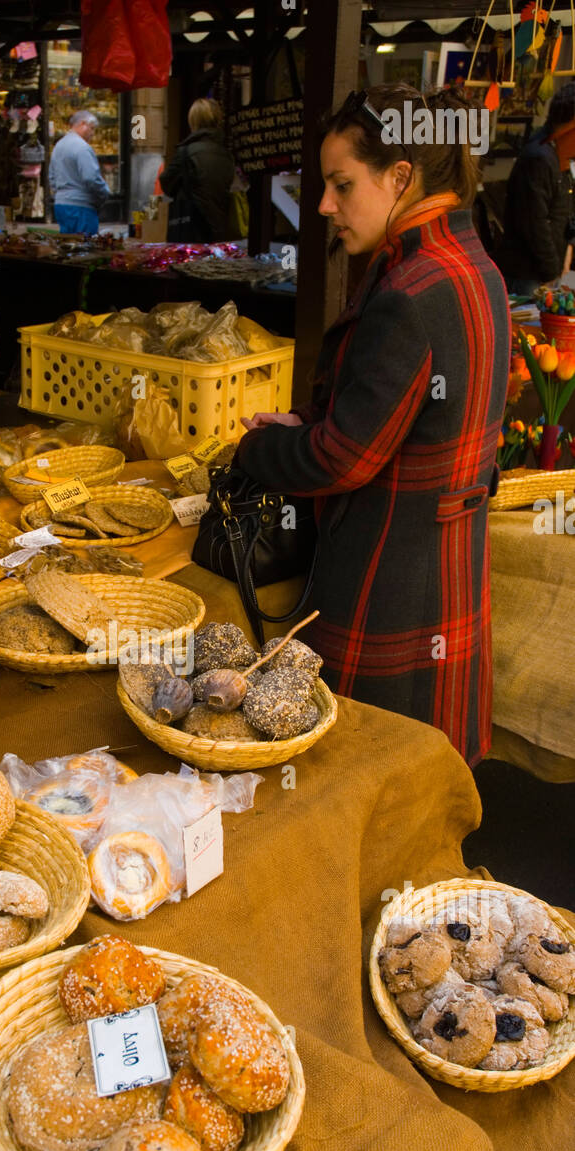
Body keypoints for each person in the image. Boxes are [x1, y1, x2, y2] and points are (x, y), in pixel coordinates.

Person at [233, 85, 510, 768]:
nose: (324, 206)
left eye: (340, 184)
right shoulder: (476, 266)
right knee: (423, 775)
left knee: (364, 775)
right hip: (446, 566)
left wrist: (259, 448)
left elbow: (341, 459)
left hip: (391, 580)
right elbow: (398, 415)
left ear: (401, 177)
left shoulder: (411, 290)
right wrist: (307, 418)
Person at [497, 81, 575, 295]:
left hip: (546, 274)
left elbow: (568, 208)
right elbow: (535, 224)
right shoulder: (539, 157)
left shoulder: (561, 155)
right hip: (527, 278)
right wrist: (552, 271)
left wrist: (569, 246)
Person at [159, 98, 235, 242]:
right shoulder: (225, 153)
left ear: (193, 121)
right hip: (218, 224)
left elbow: (166, 182)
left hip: (190, 225)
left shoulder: (186, 152)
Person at [47, 111, 111, 235]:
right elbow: (91, 178)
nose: (92, 134)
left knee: (67, 245)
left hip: (61, 204)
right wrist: (104, 193)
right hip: (81, 206)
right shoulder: (82, 148)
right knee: (85, 248)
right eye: (92, 129)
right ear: (83, 124)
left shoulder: (59, 146)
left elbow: (52, 177)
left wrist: (60, 194)